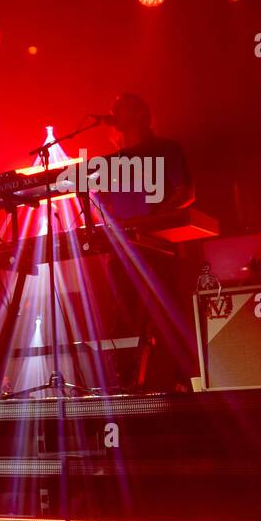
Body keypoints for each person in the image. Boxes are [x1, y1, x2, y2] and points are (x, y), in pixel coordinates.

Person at [95, 93, 196, 391]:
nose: (115, 112)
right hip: (123, 249)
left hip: (160, 244)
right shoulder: (108, 162)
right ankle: (126, 383)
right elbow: (101, 206)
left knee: (167, 313)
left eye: (122, 107)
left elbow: (186, 193)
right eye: (113, 108)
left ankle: (182, 380)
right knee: (124, 318)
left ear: (141, 113)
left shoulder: (167, 149)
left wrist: (156, 218)